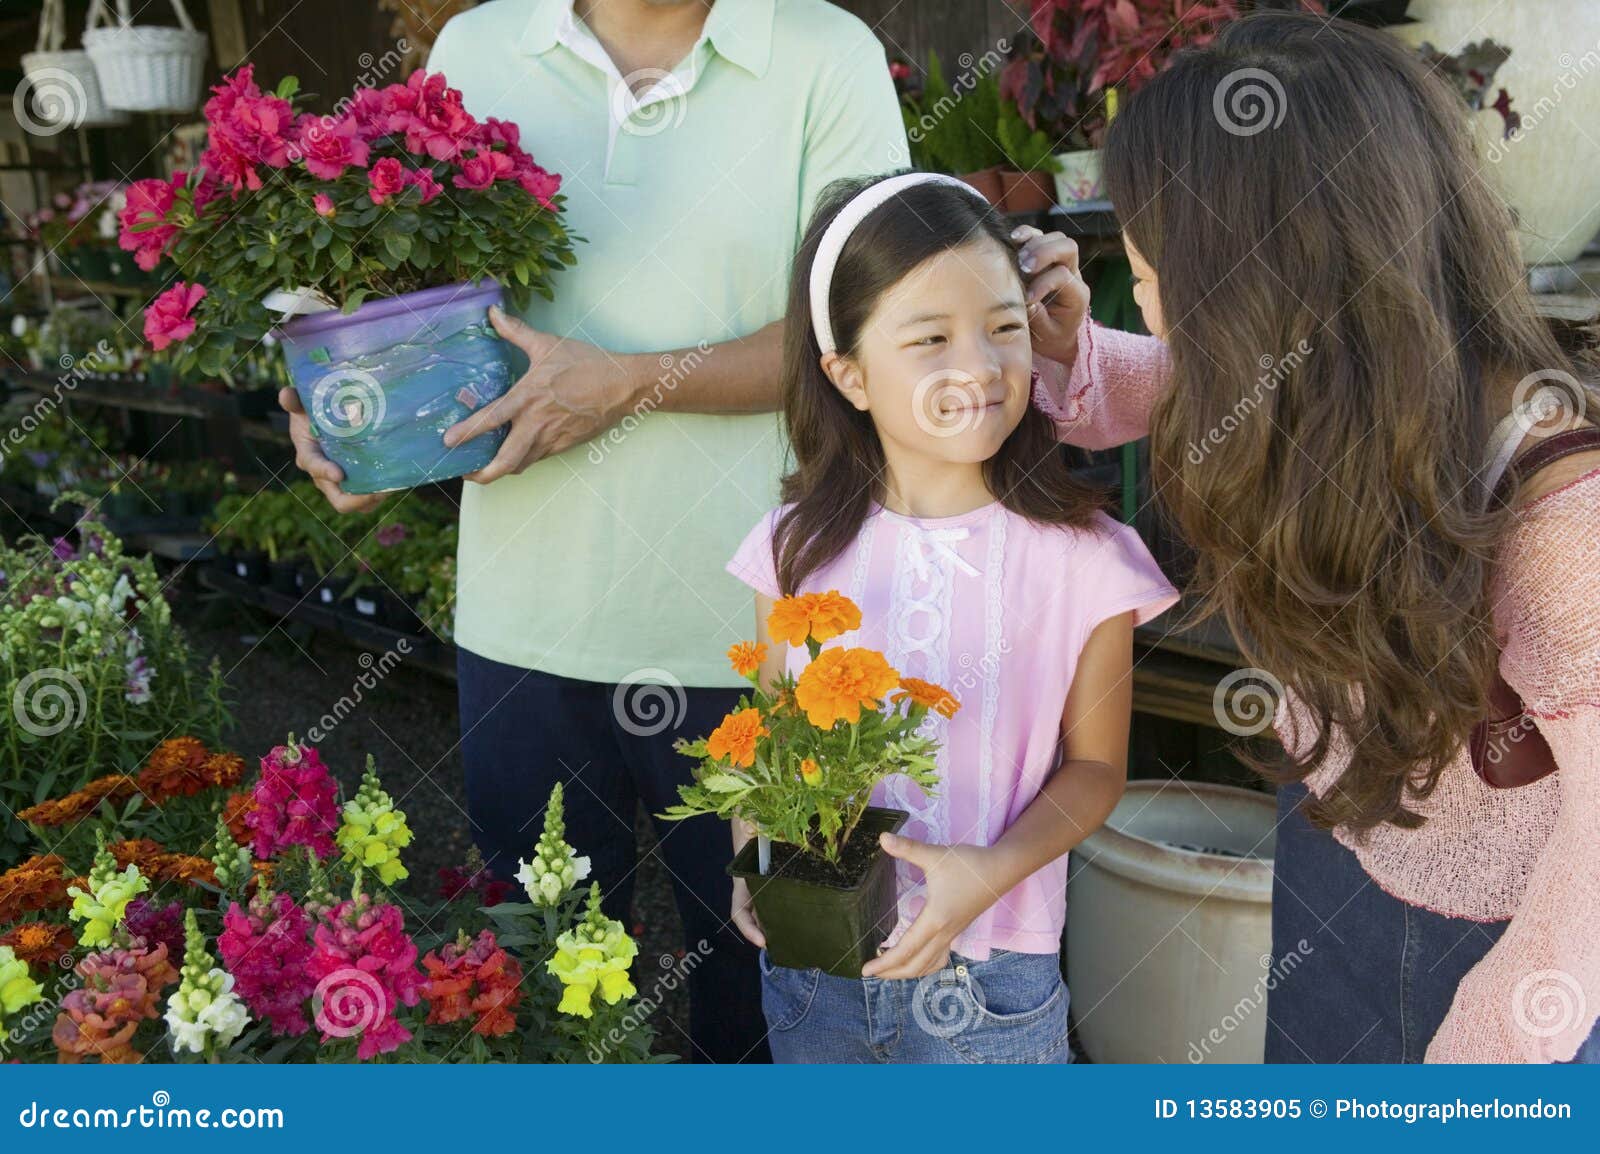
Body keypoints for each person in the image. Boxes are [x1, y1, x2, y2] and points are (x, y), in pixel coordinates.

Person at [280, 0, 909, 1063]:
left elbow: (865, 330)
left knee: (768, 1020)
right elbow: (411, 309)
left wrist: (627, 385)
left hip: (763, 645)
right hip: (527, 626)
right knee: (545, 1011)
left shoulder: (823, 54)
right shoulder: (480, 47)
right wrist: (349, 414)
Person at [1019, 12, 1600, 1063]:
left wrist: (1496, 1043)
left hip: (1515, 941)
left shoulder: (1565, 529)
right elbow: (1192, 385)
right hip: (1342, 838)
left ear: (1260, 294)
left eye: (1152, 282)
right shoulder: (1345, 380)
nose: (1146, 313)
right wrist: (1072, 349)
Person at [723, 171, 1179, 1063]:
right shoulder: (795, 549)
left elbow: (1094, 771)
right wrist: (752, 848)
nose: (977, 366)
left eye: (1004, 329)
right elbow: (769, 736)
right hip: (820, 969)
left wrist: (990, 873)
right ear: (849, 375)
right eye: (930, 338)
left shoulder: (1085, 558)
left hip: (994, 982)